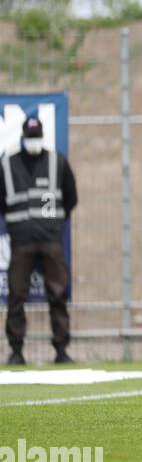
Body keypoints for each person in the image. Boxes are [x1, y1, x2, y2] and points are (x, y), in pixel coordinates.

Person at [4, 115, 77, 365]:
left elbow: (70, 198)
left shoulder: (57, 162)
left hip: (50, 240)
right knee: (16, 295)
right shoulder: (7, 165)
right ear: (23, 138)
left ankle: (61, 349)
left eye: (36, 138)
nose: (33, 142)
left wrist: (52, 224)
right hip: (21, 241)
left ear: (42, 137)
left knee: (58, 293)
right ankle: (16, 350)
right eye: (29, 138)